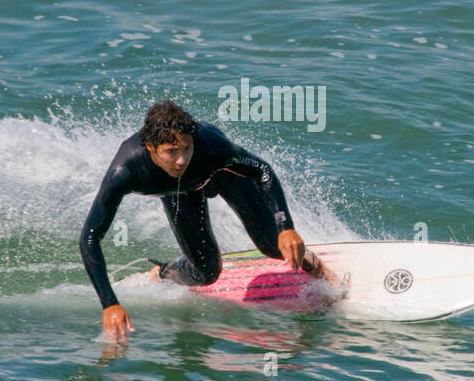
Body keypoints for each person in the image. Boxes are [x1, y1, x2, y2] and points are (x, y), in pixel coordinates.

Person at [80, 100, 331, 343]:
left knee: (272, 245)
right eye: (171, 152)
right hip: (179, 193)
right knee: (206, 273)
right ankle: (165, 272)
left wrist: (286, 228)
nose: (181, 160)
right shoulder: (125, 171)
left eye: (186, 148)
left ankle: (312, 262)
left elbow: (263, 171)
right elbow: (90, 238)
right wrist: (110, 304)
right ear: (150, 148)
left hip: (221, 175)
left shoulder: (211, 146)